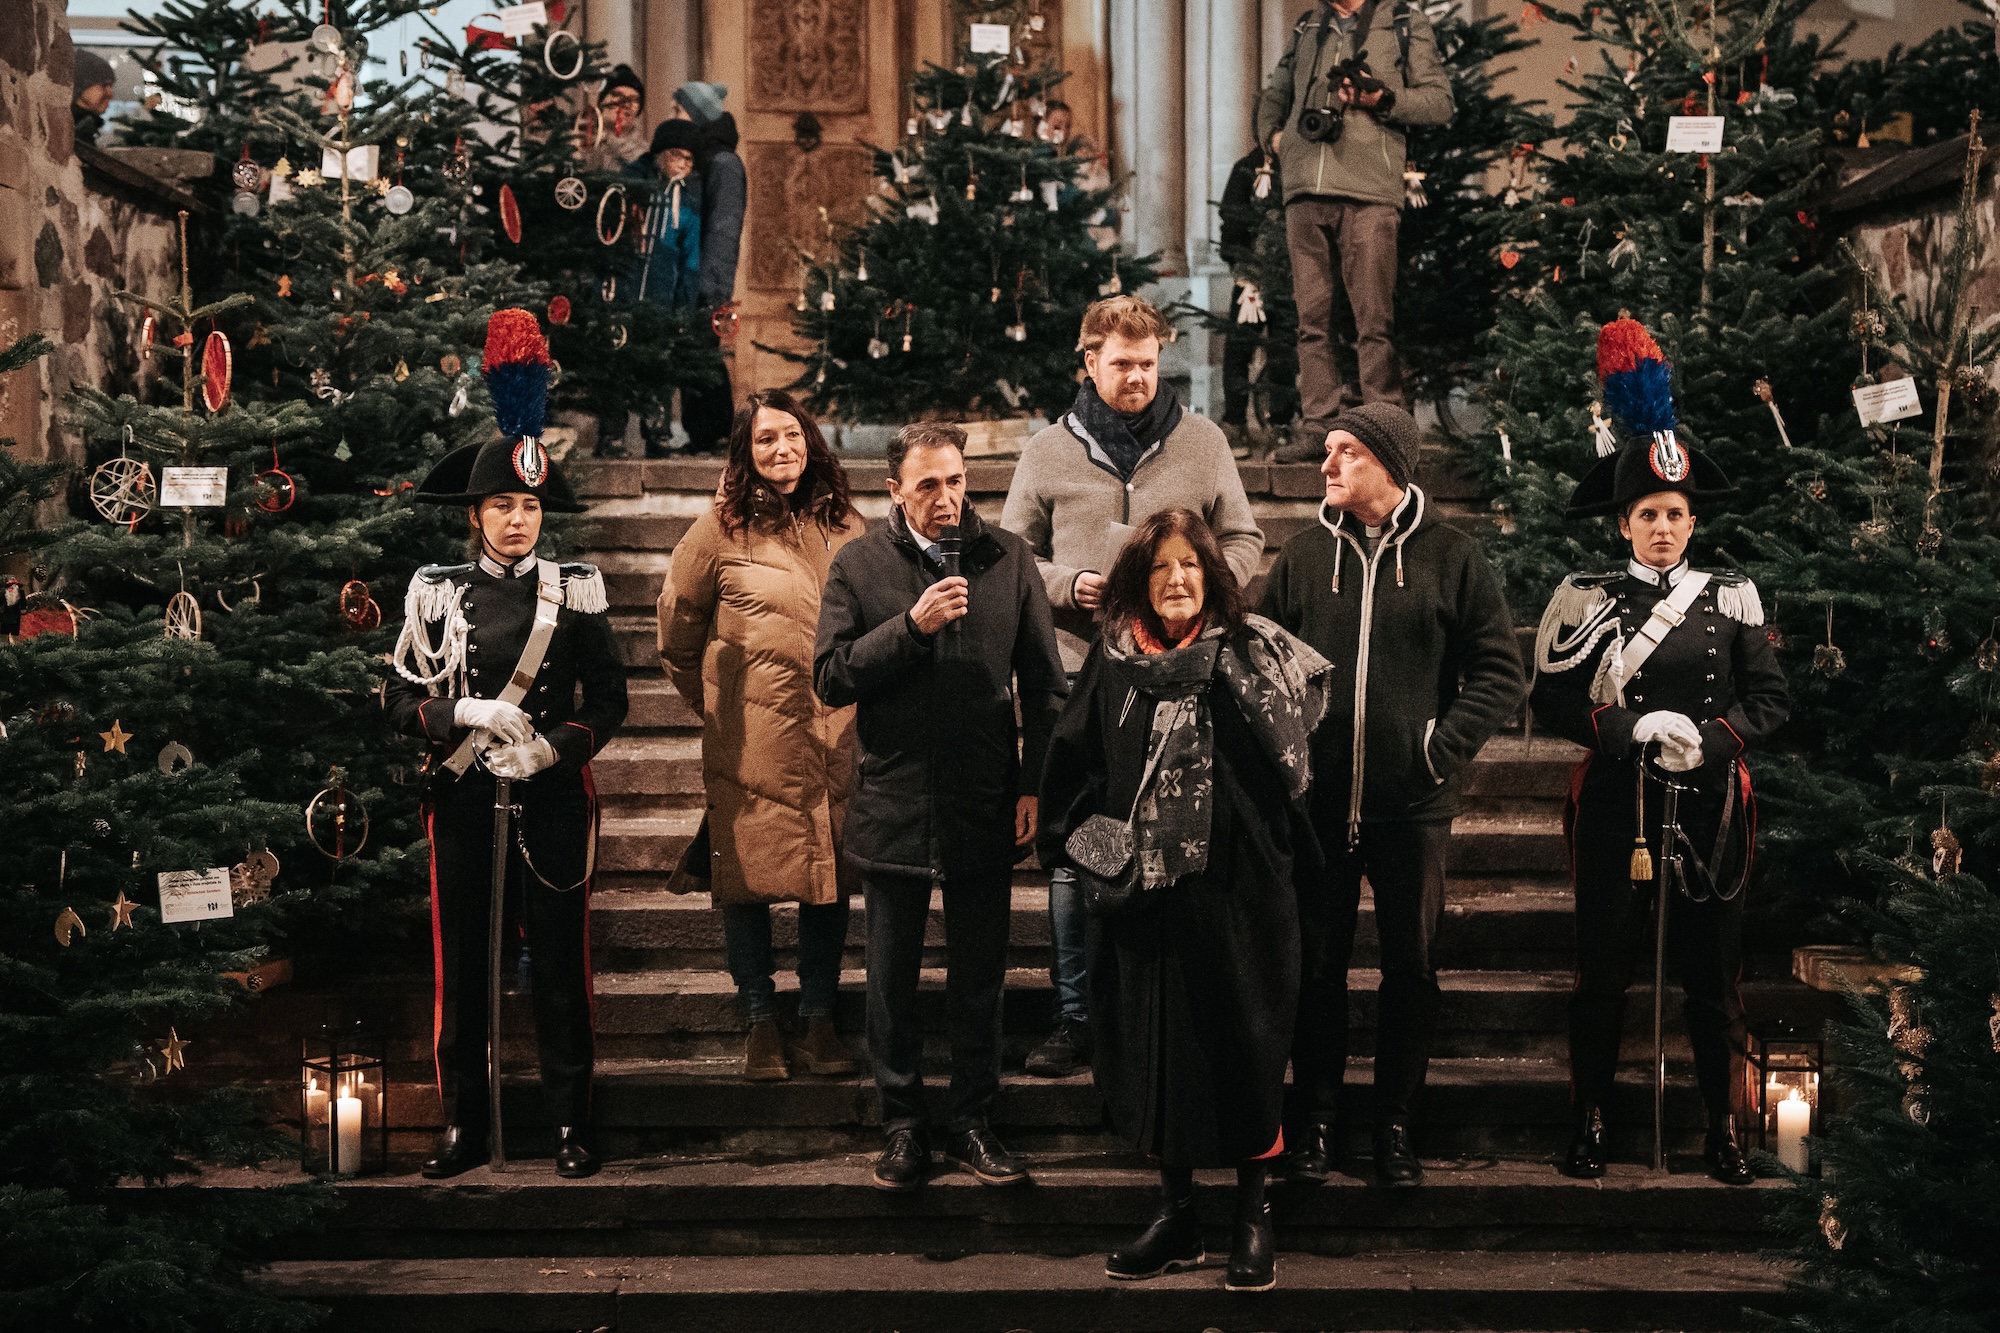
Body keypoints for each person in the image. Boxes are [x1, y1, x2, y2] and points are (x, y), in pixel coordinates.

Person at [1041, 509, 1333, 1293]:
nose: (1176, 580)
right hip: (1148, 902)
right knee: (1157, 1053)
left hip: (1241, 896)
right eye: (1162, 567)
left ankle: (1251, 1213)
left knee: (1246, 1046)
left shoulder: (1248, 655)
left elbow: (1293, 780)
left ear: (1213, 577)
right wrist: (1101, 853)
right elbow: (1075, 766)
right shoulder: (1114, 659)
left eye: (1191, 567)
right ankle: (1176, 1214)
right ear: (1139, 579)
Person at [1530, 316, 1788, 1186]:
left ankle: (1723, 1129)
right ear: (1624, 524)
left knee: (1712, 979)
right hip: (1618, 804)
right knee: (1601, 973)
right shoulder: (1584, 596)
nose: (1665, 528)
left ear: (1691, 519)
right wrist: (1627, 728)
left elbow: (1770, 699)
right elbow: (1552, 696)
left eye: (1676, 514)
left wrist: (1714, 744)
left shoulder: (1734, 595)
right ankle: (1590, 1121)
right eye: (1648, 514)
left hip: (1711, 807)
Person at [383, 310, 627, 1179]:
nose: (517, 521)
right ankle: (465, 1125)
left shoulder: (577, 588)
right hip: (461, 800)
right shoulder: (435, 592)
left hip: (553, 801)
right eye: (501, 506)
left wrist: (552, 748)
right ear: (475, 514)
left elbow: (611, 699)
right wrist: (461, 715)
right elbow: (399, 693)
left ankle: (571, 1122)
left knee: (562, 967)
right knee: (467, 973)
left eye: (528, 506)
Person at [1257, 401, 1524, 1187]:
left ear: (1389, 464)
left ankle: (1396, 1126)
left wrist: (1438, 750)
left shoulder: (1452, 556)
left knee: (1411, 968)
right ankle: (1317, 1123)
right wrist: (1289, 762)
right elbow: (1261, 668)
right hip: (1319, 809)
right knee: (1317, 969)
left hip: (1413, 809)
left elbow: (1501, 669)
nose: (1327, 465)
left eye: (1344, 452)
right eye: (1328, 451)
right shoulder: (1304, 556)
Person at [1001, 294, 1265, 1081]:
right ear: (1089, 363)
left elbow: (1245, 536)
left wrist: (1209, 588)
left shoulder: (1203, 442)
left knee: (1165, 843)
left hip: (1180, 681)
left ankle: (1152, 1009)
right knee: (1075, 846)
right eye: (1121, 365)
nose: (1137, 379)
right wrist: (1067, 582)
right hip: (1077, 677)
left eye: (1148, 364)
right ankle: (1076, 1014)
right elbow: (1013, 553)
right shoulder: (1048, 450)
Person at [814, 422, 1066, 1193]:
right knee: (890, 979)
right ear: (894, 490)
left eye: (956, 480)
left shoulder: (1008, 557)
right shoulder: (859, 563)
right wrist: (911, 627)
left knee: (978, 979)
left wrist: (1033, 784)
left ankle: (973, 1122)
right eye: (928, 484)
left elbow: (1046, 686)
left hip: (982, 798)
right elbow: (830, 675)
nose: (948, 497)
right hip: (892, 800)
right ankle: (902, 1124)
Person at [657, 390, 863, 1081]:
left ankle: (818, 1017)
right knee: (744, 884)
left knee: (824, 880)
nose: (783, 449)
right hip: (751, 741)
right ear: (744, 451)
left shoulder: (846, 525)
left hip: (833, 738)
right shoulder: (718, 531)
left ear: (812, 441)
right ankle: (759, 1021)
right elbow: (676, 637)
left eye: (793, 435)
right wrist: (718, 706)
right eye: (767, 439)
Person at [1256, 0, 1453, 462]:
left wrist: (1381, 99)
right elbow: (1275, 92)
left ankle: (1384, 432)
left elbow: (1439, 102)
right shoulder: (1310, 24)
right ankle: (1318, 427)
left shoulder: (1402, 21)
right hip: (1305, 190)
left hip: (1371, 192)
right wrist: (1275, 138)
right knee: (1312, 323)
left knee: (1374, 322)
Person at [666, 81, 747, 455]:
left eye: (680, 111)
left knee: (702, 355)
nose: (674, 118)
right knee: (695, 353)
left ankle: (714, 431)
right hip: (689, 275)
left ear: (697, 116)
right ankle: (706, 432)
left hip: (706, 278)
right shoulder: (700, 160)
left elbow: (724, 229)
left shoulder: (724, 164)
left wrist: (714, 288)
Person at [1217, 132, 1287, 453]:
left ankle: (1283, 424)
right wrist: (1239, 257)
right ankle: (1235, 424)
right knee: (1239, 350)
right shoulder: (1246, 168)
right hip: (1251, 280)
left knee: (1285, 351)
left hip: (1291, 281)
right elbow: (1231, 219)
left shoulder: (1299, 164)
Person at [582, 65, 651, 174]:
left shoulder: (646, 156)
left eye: (633, 99)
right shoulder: (580, 140)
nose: (626, 104)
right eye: (617, 95)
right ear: (602, 102)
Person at [73, 48, 116, 145]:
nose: (110, 93)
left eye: (111, 86)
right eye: (104, 85)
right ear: (80, 86)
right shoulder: (72, 129)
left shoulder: (88, 127)